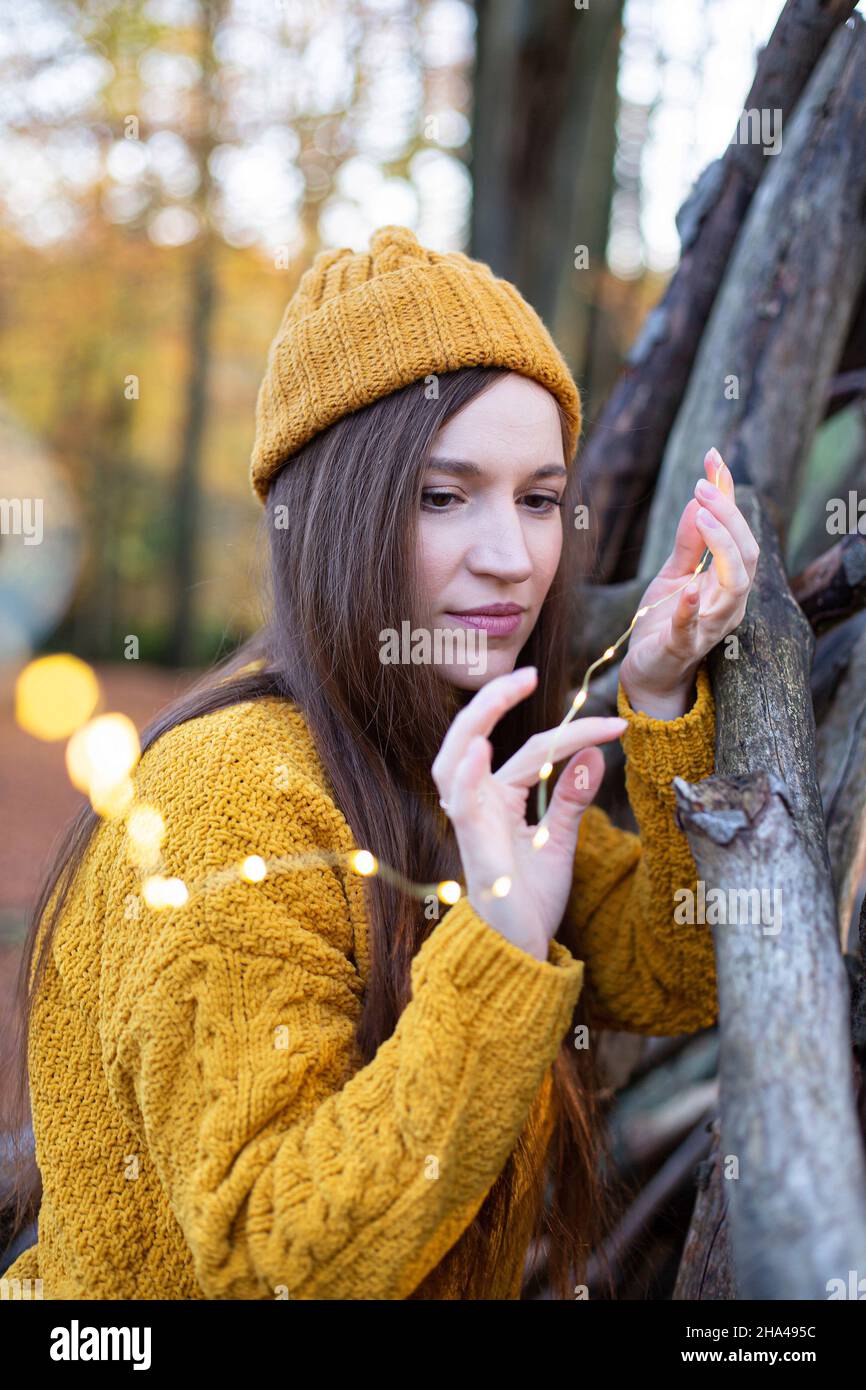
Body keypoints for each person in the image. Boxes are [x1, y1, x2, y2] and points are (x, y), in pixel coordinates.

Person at [1, 225, 758, 1301]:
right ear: (334, 518)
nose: (509, 556)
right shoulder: (227, 798)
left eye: (538, 498)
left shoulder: (450, 772)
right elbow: (279, 1260)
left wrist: (661, 691)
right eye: (442, 495)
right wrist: (499, 942)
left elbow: (681, 970)